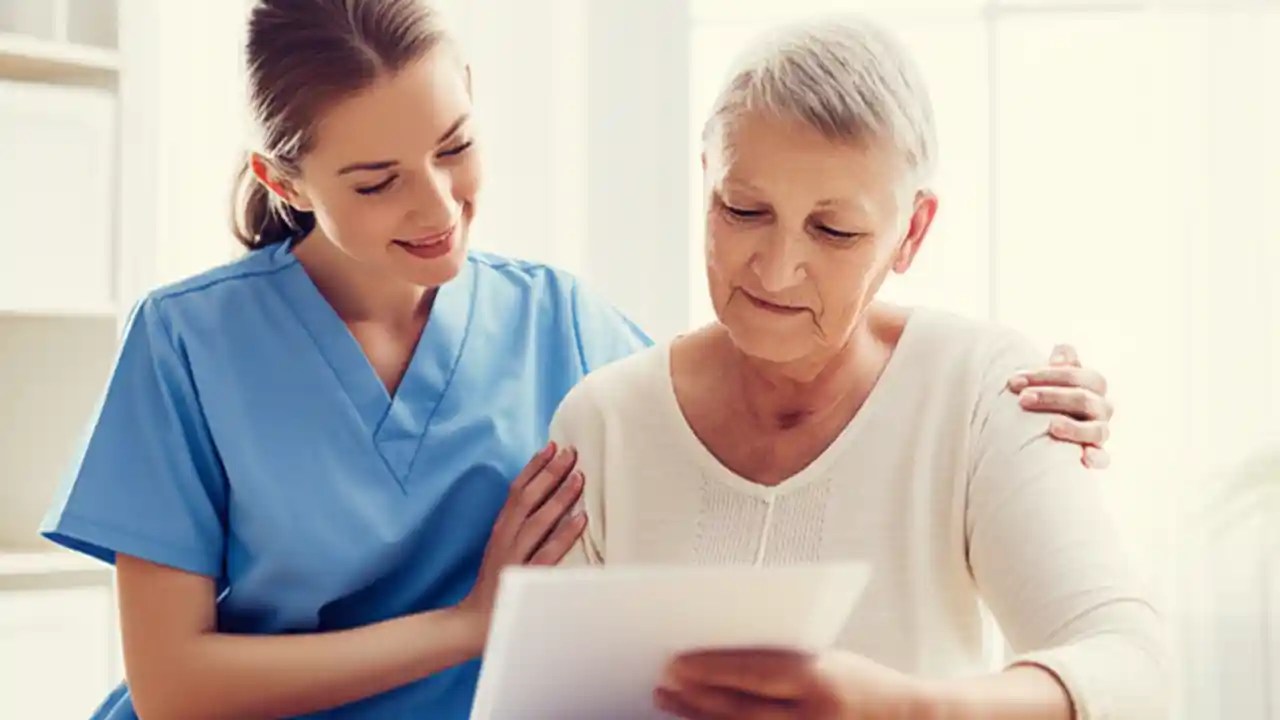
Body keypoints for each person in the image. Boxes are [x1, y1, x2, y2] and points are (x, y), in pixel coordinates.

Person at [40, 2, 1114, 718]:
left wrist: (1016, 403)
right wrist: (467, 623)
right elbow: (173, 681)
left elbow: (761, 361)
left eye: (455, 146)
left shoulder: (557, 321)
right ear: (284, 181)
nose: (437, 205)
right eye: (375, 181)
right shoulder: (186, 341)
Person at [549, 15, 1166, 720]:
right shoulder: (603, 425)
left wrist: (909, 709)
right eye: (743, 209)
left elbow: (1133, 669)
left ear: (913, 231)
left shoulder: (982, 393)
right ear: (706, 180)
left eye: (834, 230)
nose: (777, 270)